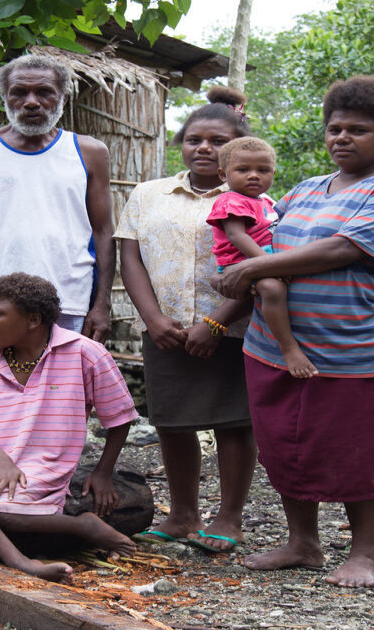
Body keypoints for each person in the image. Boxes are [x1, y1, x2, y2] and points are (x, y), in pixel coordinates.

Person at [211, 76, 374, 587]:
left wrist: (250, 270)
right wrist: (234, 293)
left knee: (358, 448)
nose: (342, 138)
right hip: (272, 346)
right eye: (335, 128)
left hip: (355, 348)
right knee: (286, 443)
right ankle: (302, 542)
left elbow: (343, 250)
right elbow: (260, 247)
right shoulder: (306, 189)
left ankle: (365, 552)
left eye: (359, 130)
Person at [115, 86, 257, 553]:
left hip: (233, 329)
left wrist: (215, 324)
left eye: (217, 141)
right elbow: (130, 257)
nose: (204, 148)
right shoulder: (148, 194)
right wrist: (152, 318)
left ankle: (229, 519)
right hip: (167, 331)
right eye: (194, 138)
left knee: (234, 422)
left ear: (236, 147)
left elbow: (264, 265)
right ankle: (182, 516)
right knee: (172, 422)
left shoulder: (253, 200)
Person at [0, 272, 139, 582]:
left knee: (8, 515)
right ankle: (22, 563)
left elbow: (119, 417)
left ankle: (84, 525)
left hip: (45, 458)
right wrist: (0, 461)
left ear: (32, 320)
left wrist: (103, 472)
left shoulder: (85, 353)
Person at [0, 53, 115, 369]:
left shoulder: (89, 152)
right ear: (5, 96)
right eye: (19, 92)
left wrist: (101, 303)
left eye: (44, 92)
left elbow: (103, 232)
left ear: (62, 96)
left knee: (60, 408)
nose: (31, 102)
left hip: (68, 302)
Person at [206, 136, 317, 378]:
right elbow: (236, 236)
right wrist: (270, 266)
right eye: (243, 170)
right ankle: (288, 348)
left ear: (273, 173)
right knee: (272, 290)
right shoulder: (230, 200)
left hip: (262, 259)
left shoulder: (265, 201)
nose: (254, 175)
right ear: (224, 175)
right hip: (240, 263)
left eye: (263, 170)